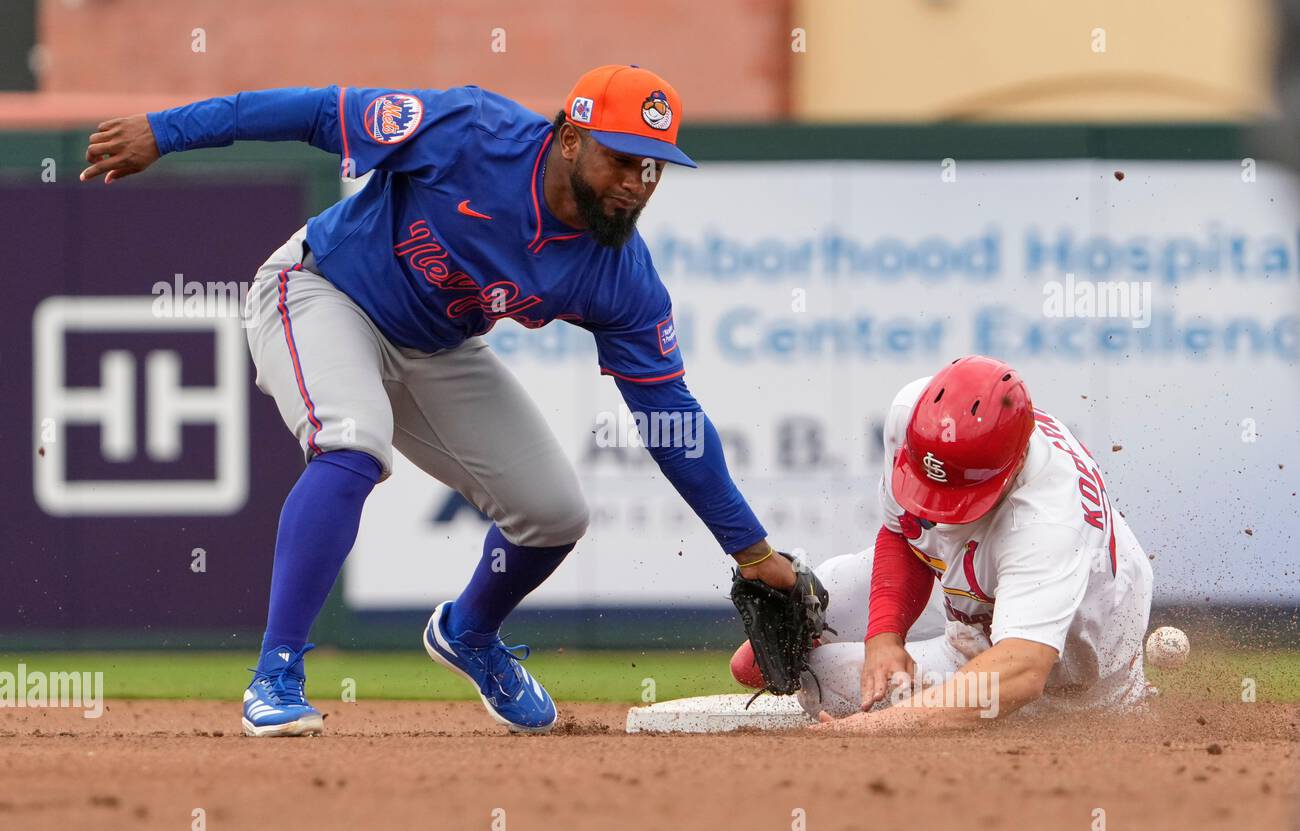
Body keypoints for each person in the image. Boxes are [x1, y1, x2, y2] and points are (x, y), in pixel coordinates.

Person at [81, 64, 796, 736]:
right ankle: (276, 676)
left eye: (653, 167)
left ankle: (470, 634)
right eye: (622, 158)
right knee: (352, 443)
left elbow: (670, 418)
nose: (637, 184)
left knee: (554, 514)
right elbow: (309, 112)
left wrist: (752, 549)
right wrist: (164, 131)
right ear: (570, 139)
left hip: (435, 345)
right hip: (321, 290)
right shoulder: (468, 132)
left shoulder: (620, 275)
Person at [731, 356, 1155, 732]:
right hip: (965, 591)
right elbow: (904, 533)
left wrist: (882, 727)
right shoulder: (916, 417)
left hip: (1059, 670)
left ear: (1017, 464)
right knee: (754, 661)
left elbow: (1023, 670)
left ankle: (1112, 700)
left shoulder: (1048, 523)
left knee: (821, 687)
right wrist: (884, 639)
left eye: (956, 497)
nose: (938, 511)